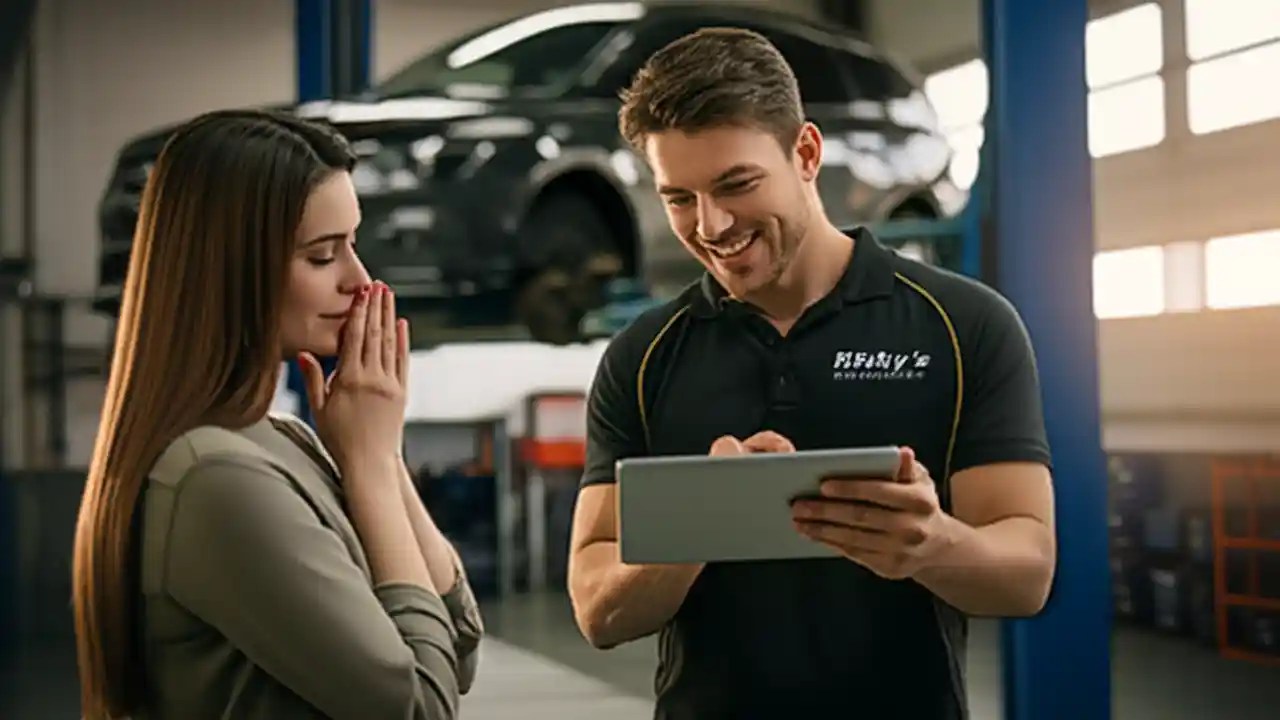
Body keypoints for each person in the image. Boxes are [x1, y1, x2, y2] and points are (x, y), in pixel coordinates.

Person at [566, 27, 1056, 720]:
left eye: (737, 184)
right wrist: (699, 524)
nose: (711, 224)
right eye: (679, 198)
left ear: (805, 153)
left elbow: (1028, 575)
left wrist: (932, 545)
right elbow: (597, 610)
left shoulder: (963, 325)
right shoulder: (641, 357)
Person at [70, 109, 483, 720]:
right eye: (322, 256)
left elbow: (458, 646)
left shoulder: (286, 441)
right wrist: (370, 465)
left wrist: (379, 454)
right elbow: (420, 705)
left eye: (352, 245)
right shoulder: (215, 477)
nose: (359, 280)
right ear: (231, 269)